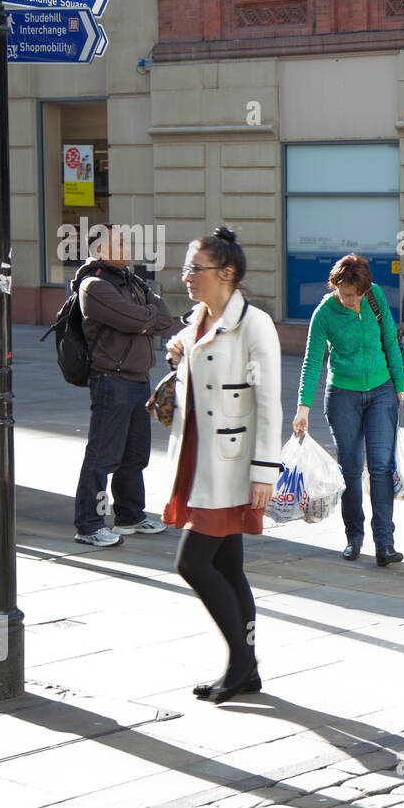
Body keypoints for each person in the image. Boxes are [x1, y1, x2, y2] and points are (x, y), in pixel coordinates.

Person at [162, 228, 282, 703]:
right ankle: (245, 671)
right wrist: (178, 352)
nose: (186, 276)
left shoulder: (255, 325)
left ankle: (241, 664)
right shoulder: (197, 318)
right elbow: (186, 348)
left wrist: (263, 473)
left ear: (226, 274)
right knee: (228, 566)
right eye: (187, 268)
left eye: (195, 268)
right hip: (198, 456)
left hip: (231, 465)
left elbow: (270, 403)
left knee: (192, 562)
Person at [293, 255, 404, 566]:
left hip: (382, 392)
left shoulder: (375, 298)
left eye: (355, 295)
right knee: (351, 469)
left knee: (382, 469)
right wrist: (303, 408)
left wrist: (401, 387)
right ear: (335, 286)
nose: (350, 301)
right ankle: (354, 537)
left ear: (365, 289)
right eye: (344, 294)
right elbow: (311, 363)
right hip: (343, 395)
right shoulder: (324, 314)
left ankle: (385, 543)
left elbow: (390, 342)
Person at [72, 225, 174, 546]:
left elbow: (164, 317)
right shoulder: (94, 286)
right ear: (101, 251)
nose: (127, 247)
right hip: (111, 380)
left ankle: (130, 515)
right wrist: (145, 319)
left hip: (138, 379)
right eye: (119, 243)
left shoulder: (133, 282)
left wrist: (143, 318)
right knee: (103, 455)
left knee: (134, 454)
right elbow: (139, 320)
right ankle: (89, 524)